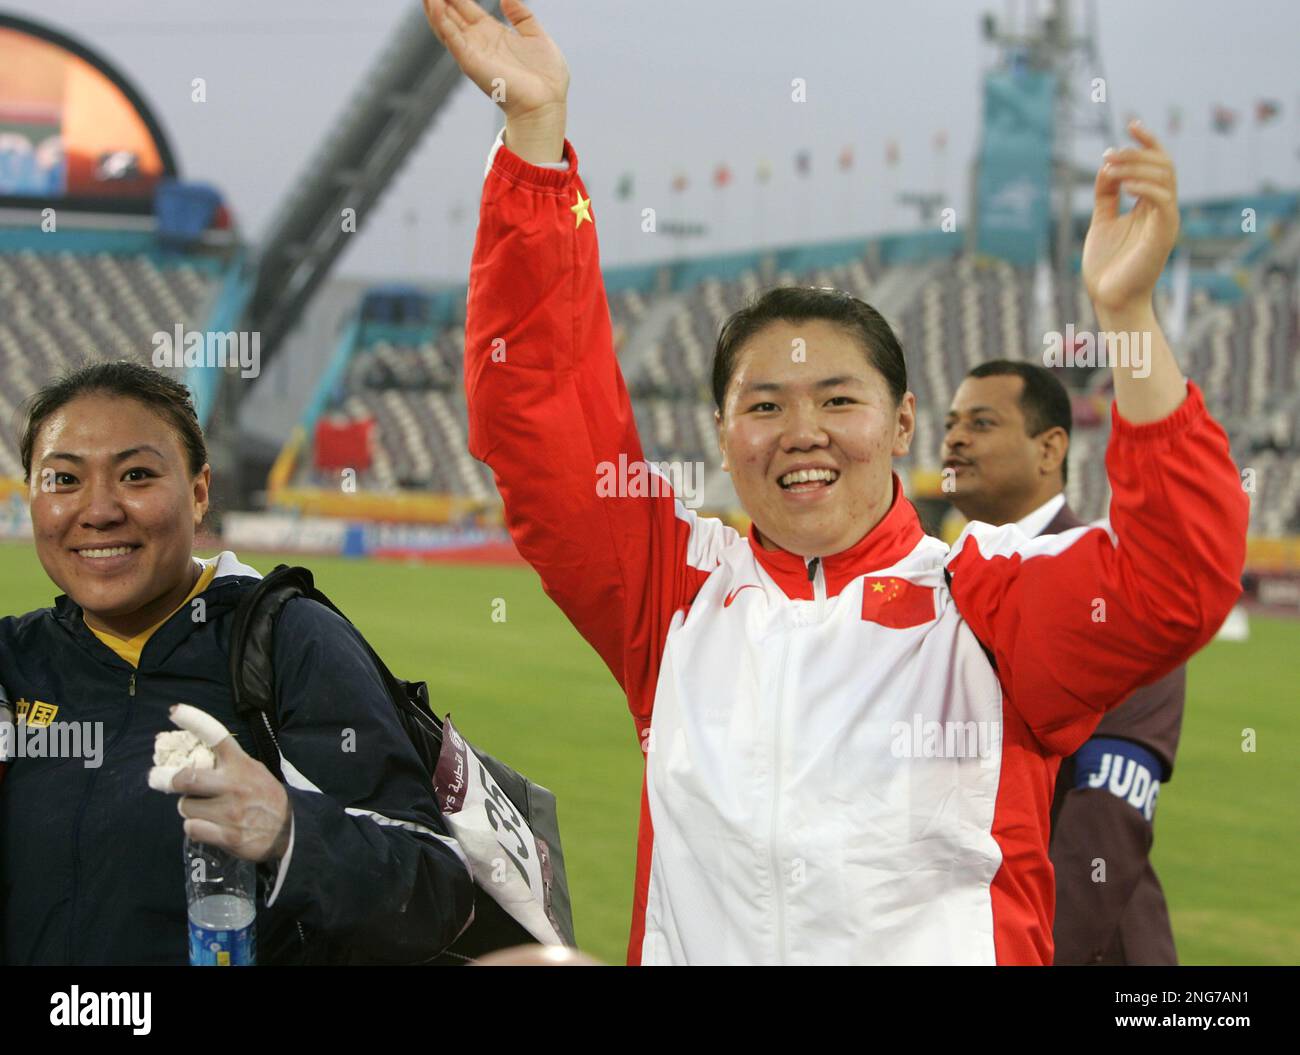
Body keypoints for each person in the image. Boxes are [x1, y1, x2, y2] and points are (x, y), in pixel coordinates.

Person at [425, 0, 1248, 964]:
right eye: (764, 404)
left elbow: (1176, 579)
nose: (802, 432)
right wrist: (534, 138)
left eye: (838, 400)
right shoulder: (671, 593)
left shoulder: (983, 606)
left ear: (902, 424)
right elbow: (538, 417)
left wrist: (1129, 319)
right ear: (724, 436)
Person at [0, 361, 474, 965]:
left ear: (199, 493)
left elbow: (436, 893)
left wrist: (288, 830)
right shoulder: (15, 661)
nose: (98, 510)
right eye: (63, 480)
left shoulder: (286, 641)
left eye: (136, 474)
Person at [943, 360, 1184, 964]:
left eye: (981, 422)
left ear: (1050, 448)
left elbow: (1104, 823)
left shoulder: (1111, 582)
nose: (954, 439)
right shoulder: (937, 576)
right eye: (950, 423)